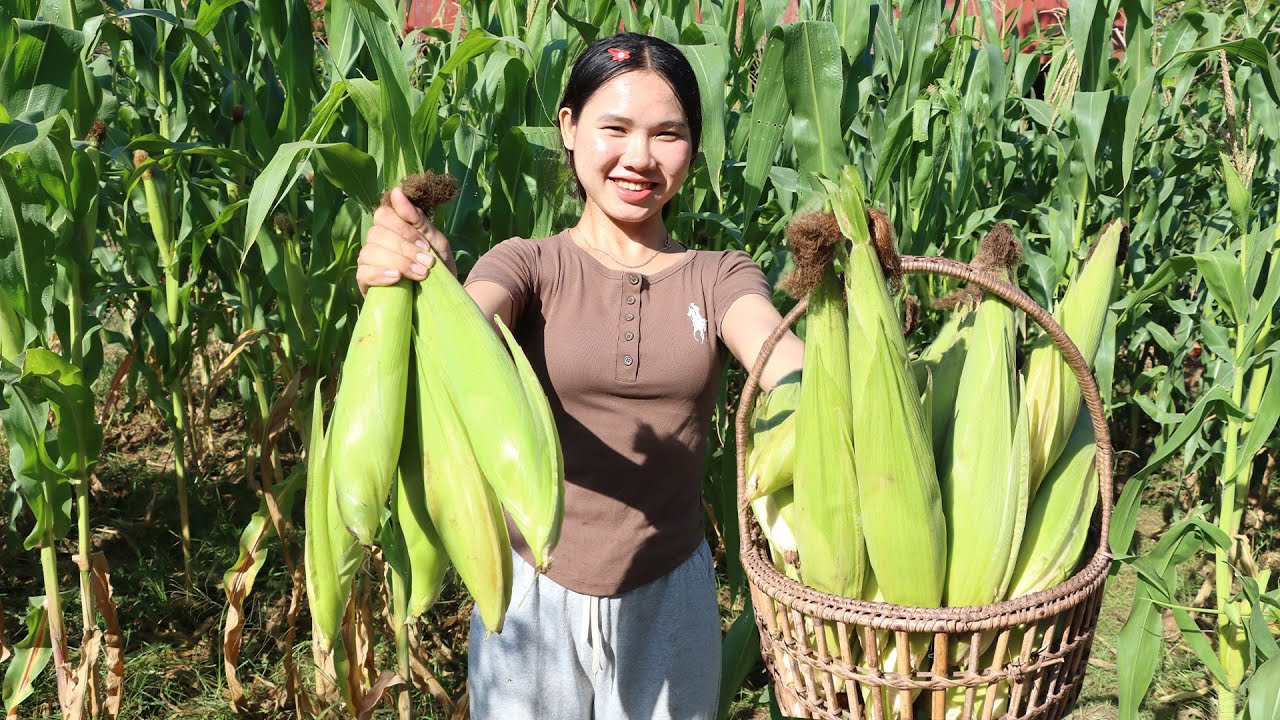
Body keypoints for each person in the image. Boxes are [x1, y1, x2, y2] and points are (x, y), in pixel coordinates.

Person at [356, 31, 804, 720]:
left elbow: (783, 363)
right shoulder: (529, 265)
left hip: (672, 597)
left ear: (694, 145)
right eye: (615, 128)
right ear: (569, 127)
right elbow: (464, 338)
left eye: (668, 134)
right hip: (536, 591)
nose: (640, 158)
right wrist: (417, 278)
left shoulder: (720, 276)